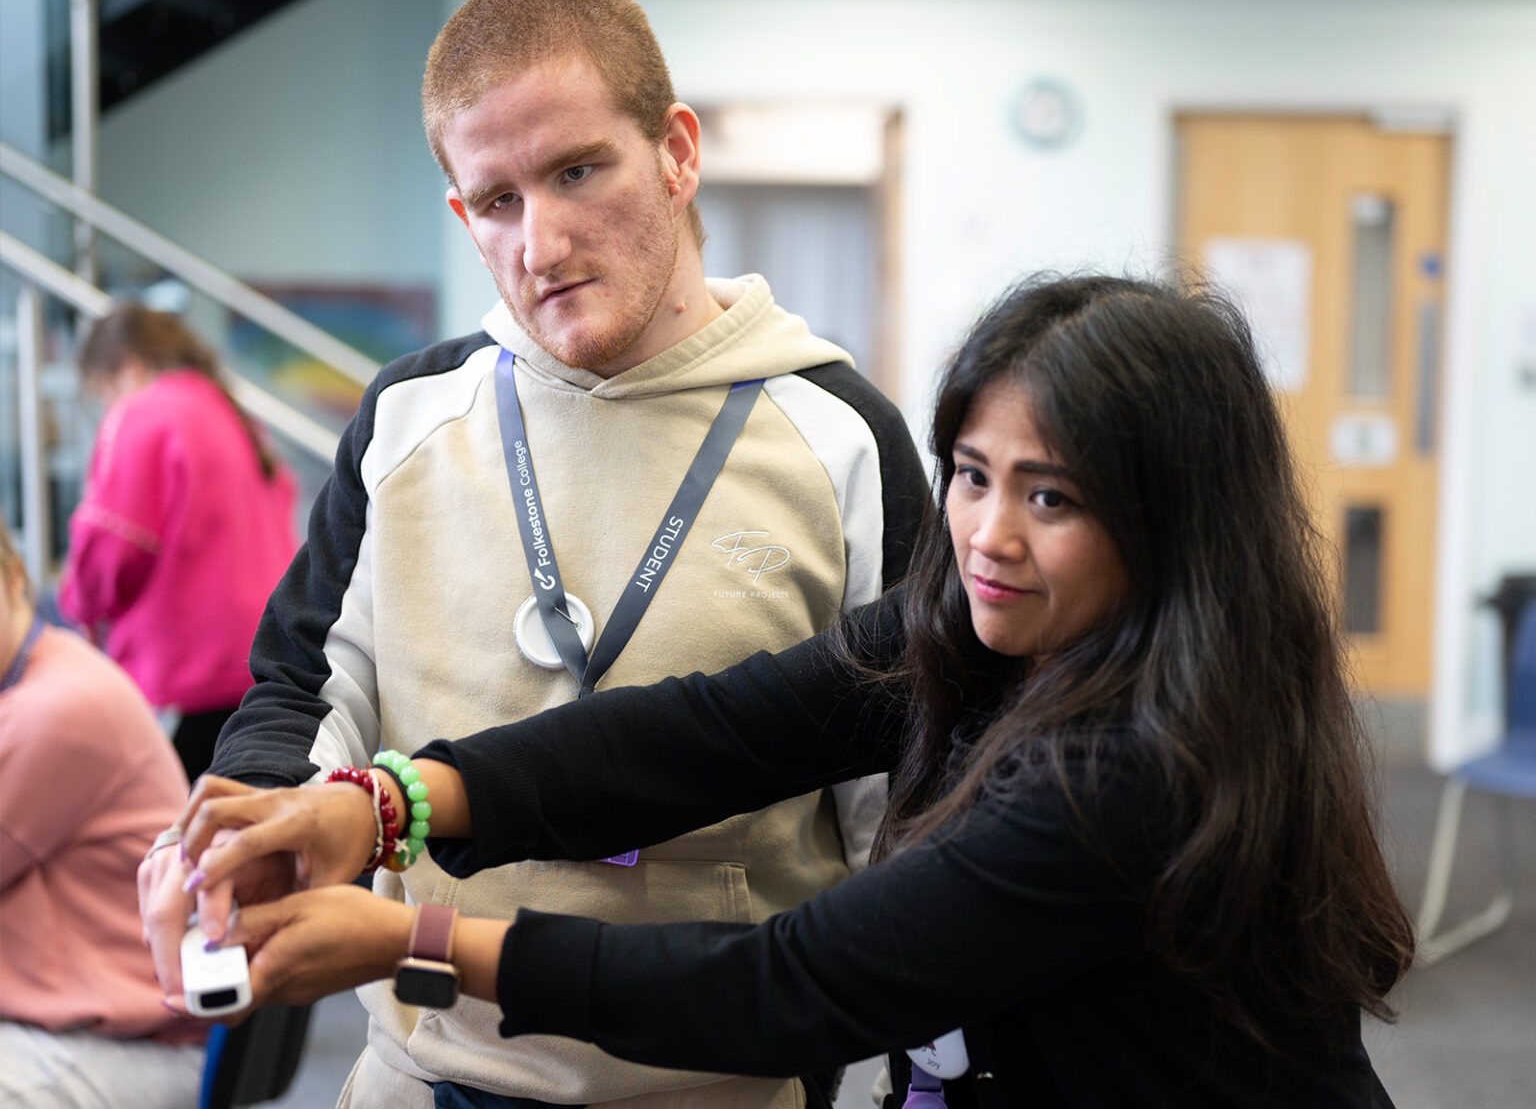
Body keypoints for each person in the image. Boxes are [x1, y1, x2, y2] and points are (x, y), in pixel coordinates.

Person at [177, 275, 1415, 1108]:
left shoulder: (1129, 769)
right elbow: (713, 730)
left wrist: (413, 939)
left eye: (1054, 497)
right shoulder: (985, 635)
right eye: (974, 475)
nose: (987, 534)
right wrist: (391, 803)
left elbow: (791, 987)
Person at [139, 0, 928, 1109]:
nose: (543, 241)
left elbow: (893, 822)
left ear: (677, 152)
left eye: (577, 171)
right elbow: (309, 681)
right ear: (461, 216)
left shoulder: (844, 440)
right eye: (497, 201)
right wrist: (259, 811)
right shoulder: (408, 415)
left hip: (718, 1087)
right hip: (423, 1068)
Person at [0, 524, 208, 1108]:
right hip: (85, 1018)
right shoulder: (46, 668)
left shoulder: (54, 709)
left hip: (133, 1042)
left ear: (16, 576)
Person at [57, 303, 298, 780]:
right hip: (261, 660)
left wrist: (74, 607)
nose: (107, 405)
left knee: (174, 839)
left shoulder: (143, 411)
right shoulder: (234, 415)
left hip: (185, 670)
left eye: (103, 391)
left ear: (130, 368)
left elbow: (111, 543)